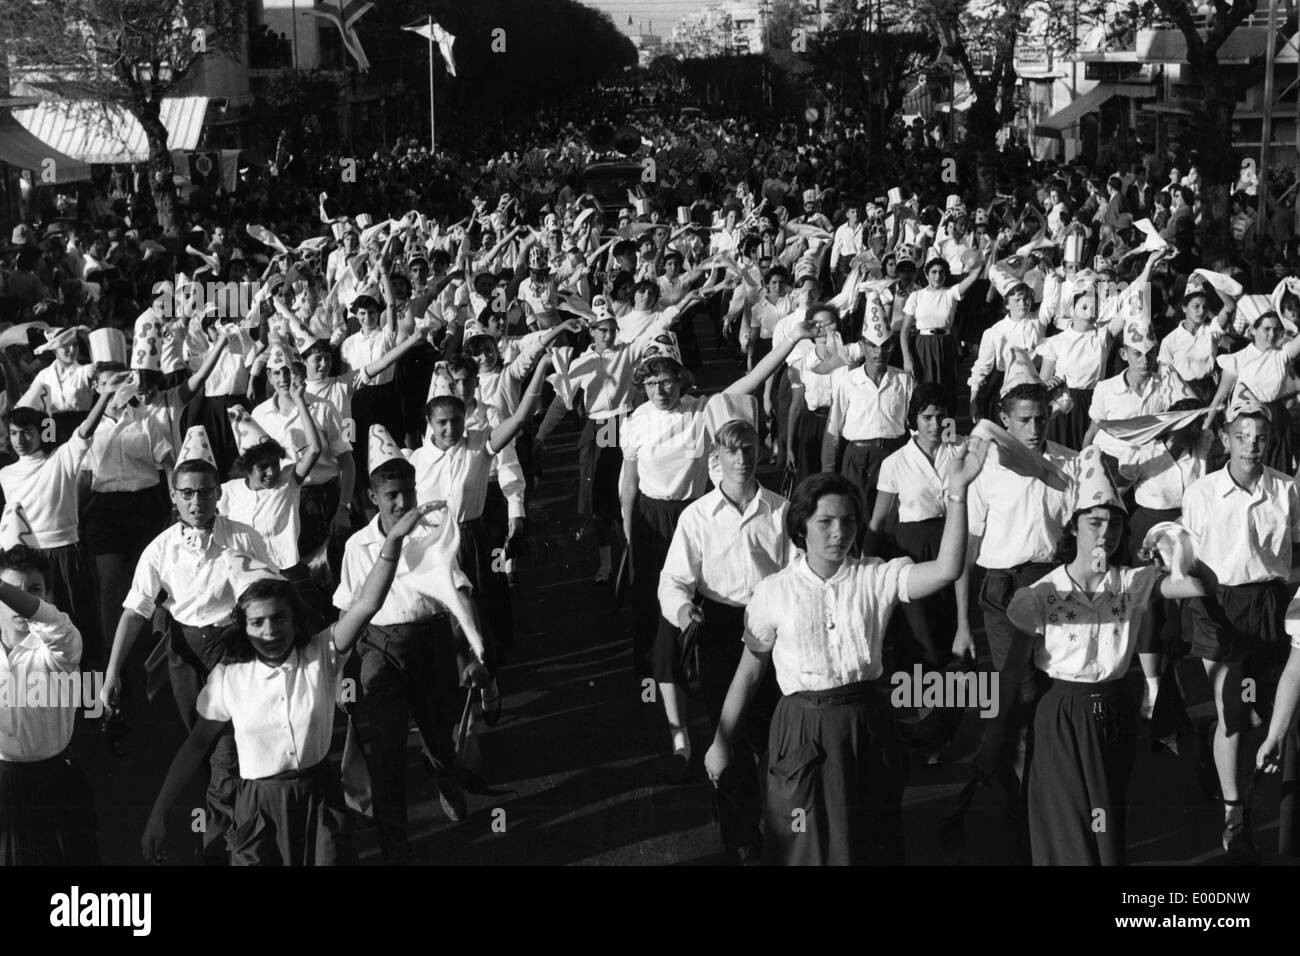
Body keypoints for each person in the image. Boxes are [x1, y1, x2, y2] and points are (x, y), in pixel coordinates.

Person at [703, 435, 989, 866]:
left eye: (849, 521)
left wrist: (958, 491)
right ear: (800, 526)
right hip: (801, 731)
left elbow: (948, 569)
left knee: (870, 842)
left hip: (865, 729)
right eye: (825, 522)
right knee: (804, 844)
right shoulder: (773, 592)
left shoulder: (877, 577)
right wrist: (721, 742)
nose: (840, 532)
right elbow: (749, 671)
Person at [140, 500, 445, 866]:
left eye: (279, 618)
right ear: (243, 625)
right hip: (258, 810)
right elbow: (195, 746)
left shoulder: (322, 653)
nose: (270, 631)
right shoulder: (228, 676)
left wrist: (391, 543)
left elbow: (366, 604)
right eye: (257, 622)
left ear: (295, 618)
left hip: (320, 798)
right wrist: (157, 814)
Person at [621, 323, 815, 783]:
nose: (659, 389)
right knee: (663, 632)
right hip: (650, 525)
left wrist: (792, 338)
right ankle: (679, 732)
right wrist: (630, 537)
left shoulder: (703, 412)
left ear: (681, 378)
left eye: (667, 378)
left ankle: (734, 731)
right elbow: (628, 485)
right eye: (650, 381)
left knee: (709, 633)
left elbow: (750, 381)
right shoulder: (634, 423)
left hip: (699, 520)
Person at [1007, 447, 1209, 864]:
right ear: (1073, 528)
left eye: (1115, 523)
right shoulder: (1043, 593)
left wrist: (1176, 551)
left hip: (1115, 707)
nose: (1105, 533)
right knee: (1069, 822)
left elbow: (1197, 587)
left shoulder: (1132, 582)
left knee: (1107, 819)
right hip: (1062, 711)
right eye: (1094, 522)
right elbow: (1014, 663)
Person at [100, 426, 279, 864]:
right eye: (187, 494)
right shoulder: (160, 549)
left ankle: (227, 845)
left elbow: (271, 594)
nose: (196, 502)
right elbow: (134, 611)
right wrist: (110, 673)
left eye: (204, 493)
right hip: (184, 655)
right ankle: (233, 826)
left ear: (219, 493)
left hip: (232, 651)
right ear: (174, 498)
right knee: (197, 746)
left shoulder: (242, 537)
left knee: (225, 752)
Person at [333, 428, 490, 863]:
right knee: (385, 754)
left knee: (439, 739)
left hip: (430, 643)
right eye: (390, 496)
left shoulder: (434, 534)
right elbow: (347, 613)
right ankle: (394, 844)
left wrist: (475, 653)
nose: (401, 503)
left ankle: (445, 777)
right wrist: (341, 676)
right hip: (379, 651)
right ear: (372, 496)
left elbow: (459, 596)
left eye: (407, 492)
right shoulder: (357, 546)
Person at [657, 418, 788, 864]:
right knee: (726, 735)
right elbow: (673, 579)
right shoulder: (697, 516)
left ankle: (781, 828)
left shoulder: (781, 511)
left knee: (773, 736)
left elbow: (800, 574)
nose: (741, 459)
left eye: (749, 449)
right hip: (719, 630)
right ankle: (739, 835)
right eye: (732, 450)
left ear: (760, 452)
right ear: (718, 455)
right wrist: (682, 610)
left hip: (773, 631)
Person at [1181, 398, 1300, 864]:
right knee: (1235, 713)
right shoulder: (1201, 494)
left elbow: (1295, 552)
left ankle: (1216, 743)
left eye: (1261, 438)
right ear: (1226, 439)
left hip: (1271, 604)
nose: (1252, 446)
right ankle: (1235, 814)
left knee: (1264, 711)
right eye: (1242, 437)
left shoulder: (1287, 489)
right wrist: (1201, 606)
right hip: (1219, 604)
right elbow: (1187, 562)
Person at [2, 376, 117, 665]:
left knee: (79, 627)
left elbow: (83, 433)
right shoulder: (5, 474)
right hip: (27, 562)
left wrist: (103, 397)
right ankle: (47, 700)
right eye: (14, 433)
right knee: (33, 632)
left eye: (27, 432)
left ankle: (95, 703)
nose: (20, 440)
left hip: (65, 556)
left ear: (41, 432)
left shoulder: (61, 460)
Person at [0, 542, 99, 865]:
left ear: (49, 596)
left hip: (55, 783)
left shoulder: (62, 645)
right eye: (13, 592)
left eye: (34, 590)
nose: (21, 601)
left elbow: (55, 626)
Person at [821, 298, 913, 513]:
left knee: (891, 516)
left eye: (884, 346)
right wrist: (828, 471)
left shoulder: (904, 380)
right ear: (862, 346)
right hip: (857, 459)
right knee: (856, 514)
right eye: (872, 345)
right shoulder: (847, 381)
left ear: (891, 346)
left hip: (893, 454)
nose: (878, 352)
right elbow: (833, 429)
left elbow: (917, 423)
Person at [1207, 309, 1300, 472]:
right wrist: (1206, 425)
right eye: (1266, 329)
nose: (1272, 334)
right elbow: (1220, 396)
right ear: (1253, 330)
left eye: (1276, 329)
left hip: (1278, 421)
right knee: (1250, 470)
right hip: (1248, 421)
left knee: (1279, 474)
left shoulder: (1282, 355)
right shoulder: (1237, 359)